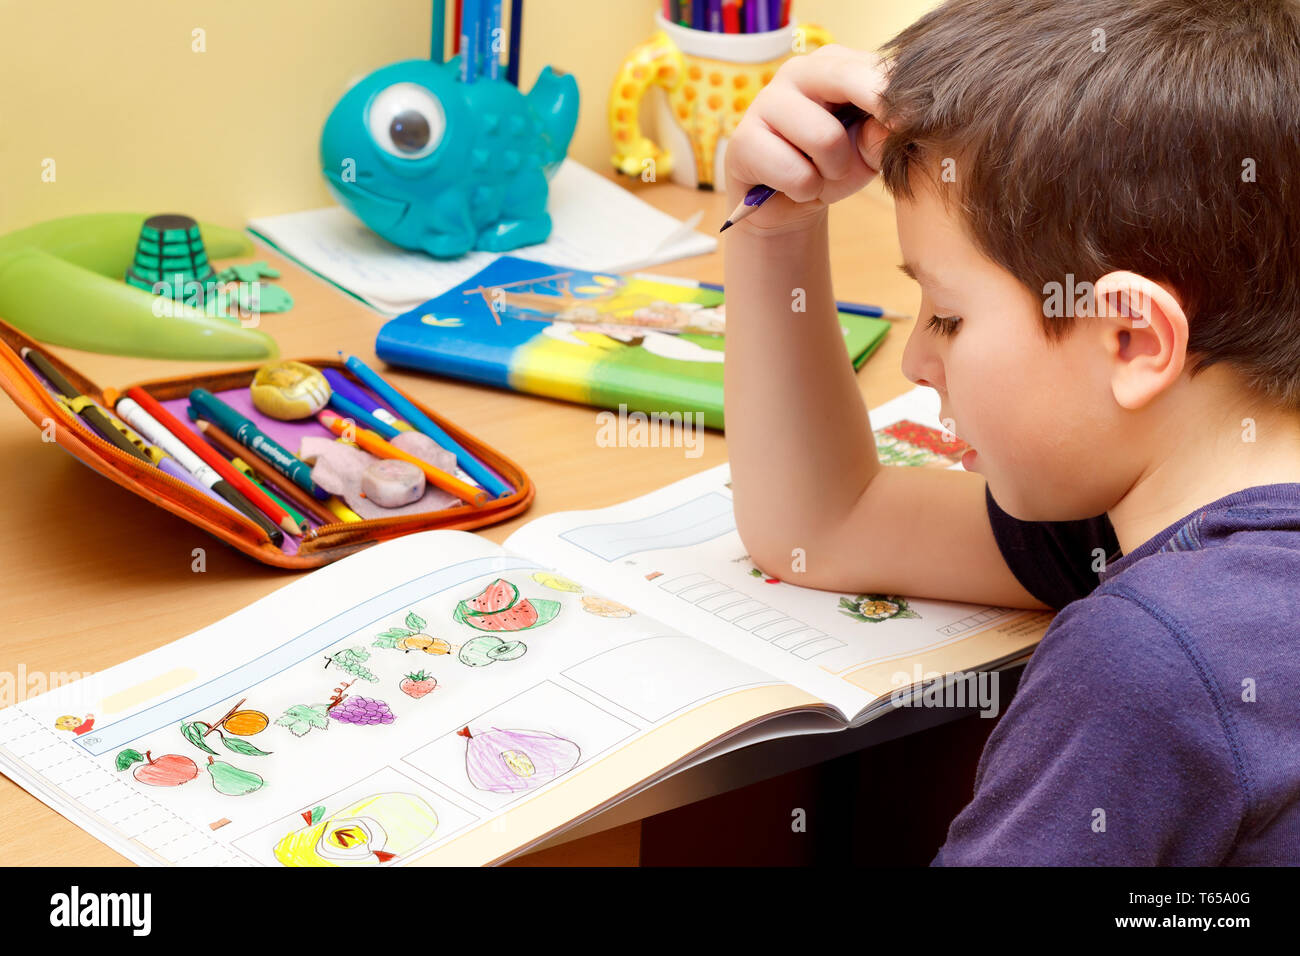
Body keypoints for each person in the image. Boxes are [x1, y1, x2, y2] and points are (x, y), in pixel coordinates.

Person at [723, 0, 1300, 864]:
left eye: (949, 317)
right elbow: (825, 527)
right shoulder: (1188, 523)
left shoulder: (1150, 659)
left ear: (1133, 340)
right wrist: (773, 230)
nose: (917, 358)